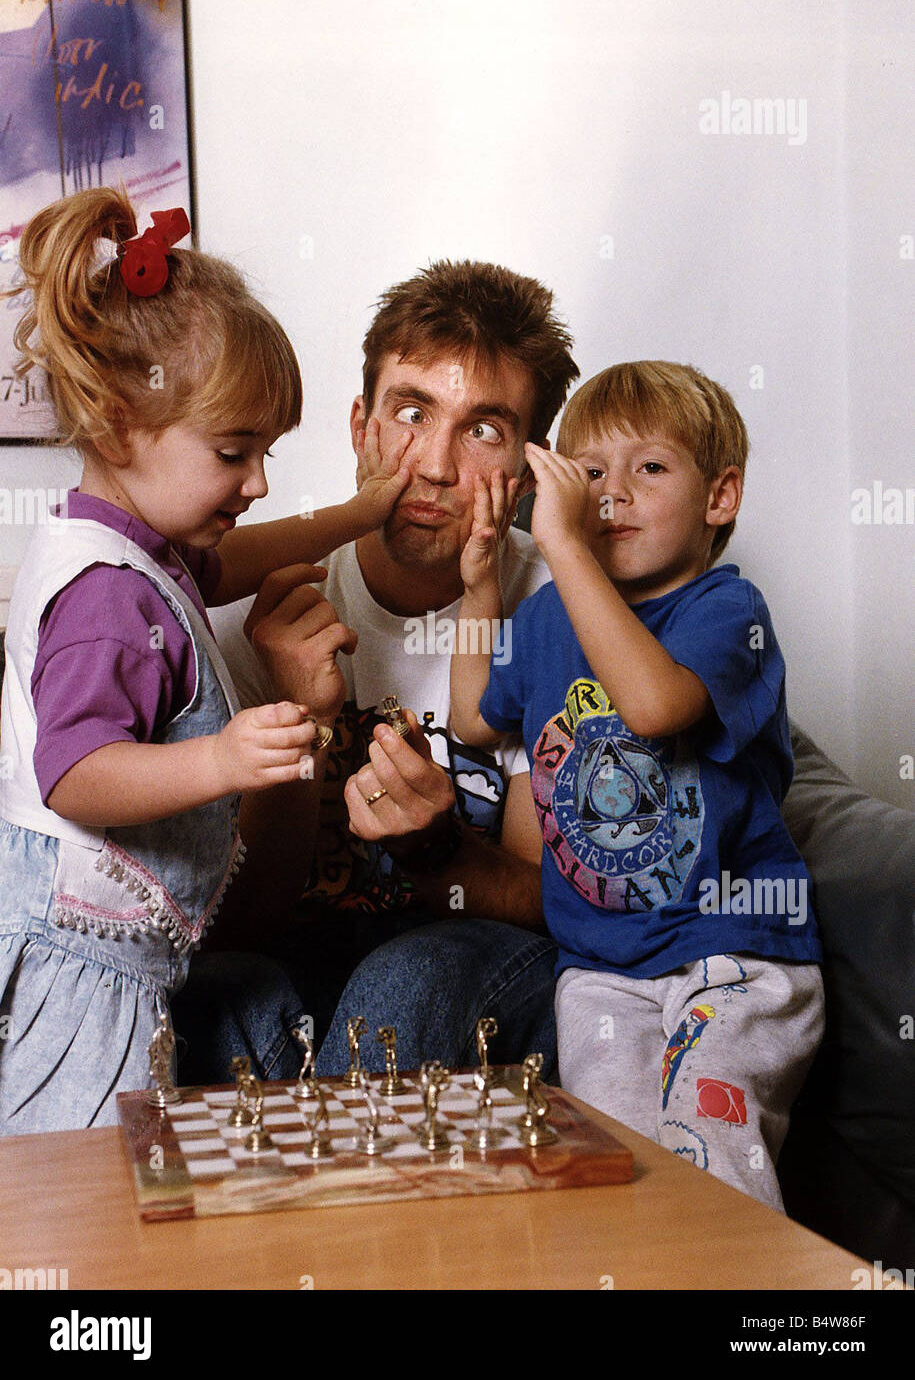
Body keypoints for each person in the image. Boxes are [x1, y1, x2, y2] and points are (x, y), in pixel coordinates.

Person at [0, 187, 410, 1132]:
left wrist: (363, 511)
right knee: (87, 1198)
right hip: (81, 974)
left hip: (125, 963)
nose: (257, 481)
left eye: (264, 451)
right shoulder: (104, 592)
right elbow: (75, 771)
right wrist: (221, 760)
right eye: (234, 452)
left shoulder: (139, 544)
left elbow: (242, 556)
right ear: (115, 424)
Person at [449, 360, 824, 1209]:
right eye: (588, 473)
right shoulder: (548, 615)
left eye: (648, 468)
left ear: (718, 497)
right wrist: (480, 588)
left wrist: (563, 545)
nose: (610, 492)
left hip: (735, 953)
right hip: (602, 970)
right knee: (608, 1171)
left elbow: (653, 705)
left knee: (705, 1147)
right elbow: (474, 716)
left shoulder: (728, 613)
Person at [196, 259, 580, 1080]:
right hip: (302, 959)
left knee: (407, 977)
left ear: (530, 467)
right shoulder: (263, 602)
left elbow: (555, 906)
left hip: (483, 965)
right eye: (411, 412)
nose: (433, 466)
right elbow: (237, 926)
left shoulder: (562, 611)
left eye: (483, 429)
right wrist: (303, 732)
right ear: (360, 425)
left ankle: (336, 1211)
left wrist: (440, 855)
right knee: (223, 998)